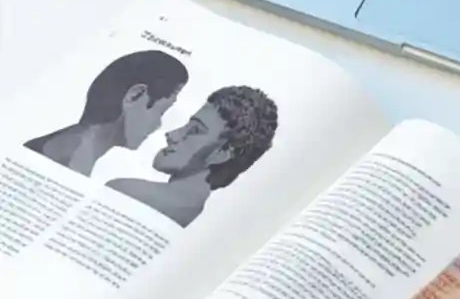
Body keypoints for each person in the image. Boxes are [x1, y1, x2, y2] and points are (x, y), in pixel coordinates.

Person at [107, 86, 278, 228]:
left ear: (222, 153)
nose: (172, 135)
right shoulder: (202, 223)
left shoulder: (126, 190)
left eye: (195, 130)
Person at [25, 51, 188, 176]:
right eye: (161, 111)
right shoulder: (71, 157)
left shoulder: (71, 146)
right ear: (135, 96)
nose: (157, 125)